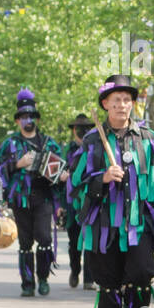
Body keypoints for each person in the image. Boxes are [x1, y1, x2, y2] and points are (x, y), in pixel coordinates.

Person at [68, 75, 154, 308]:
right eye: (116, 100)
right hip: (104, 224)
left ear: (132, 104)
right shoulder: (91, 142)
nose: (122, 105)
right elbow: (74, 185)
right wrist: (102, 179)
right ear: (105, 104)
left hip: (139, 222)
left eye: (127, 100)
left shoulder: (148, 138)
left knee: (143, 275)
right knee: (108, 279)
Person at [0, 89, 66, 297]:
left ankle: (43, 278)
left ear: (36, 119)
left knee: (44, 239)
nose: (28, 120)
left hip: (43, 198)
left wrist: (63, 178)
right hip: (20, 199)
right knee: (25, 243)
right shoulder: (9, 144)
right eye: (24, 117)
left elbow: (61, 170)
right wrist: (17, 164)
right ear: (18, 121)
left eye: (31, 116)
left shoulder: (49, 143)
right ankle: (27, 283)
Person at [63, 114, 96, 289]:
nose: (82, 132)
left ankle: (89, 279)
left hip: (90, 201)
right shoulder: (66, 151)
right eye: (79, 129)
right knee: (74, 241)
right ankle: (75, 270)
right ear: (74, 131)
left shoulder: (95, 149)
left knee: (89, 239)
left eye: (85, 129)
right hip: (71, 203)